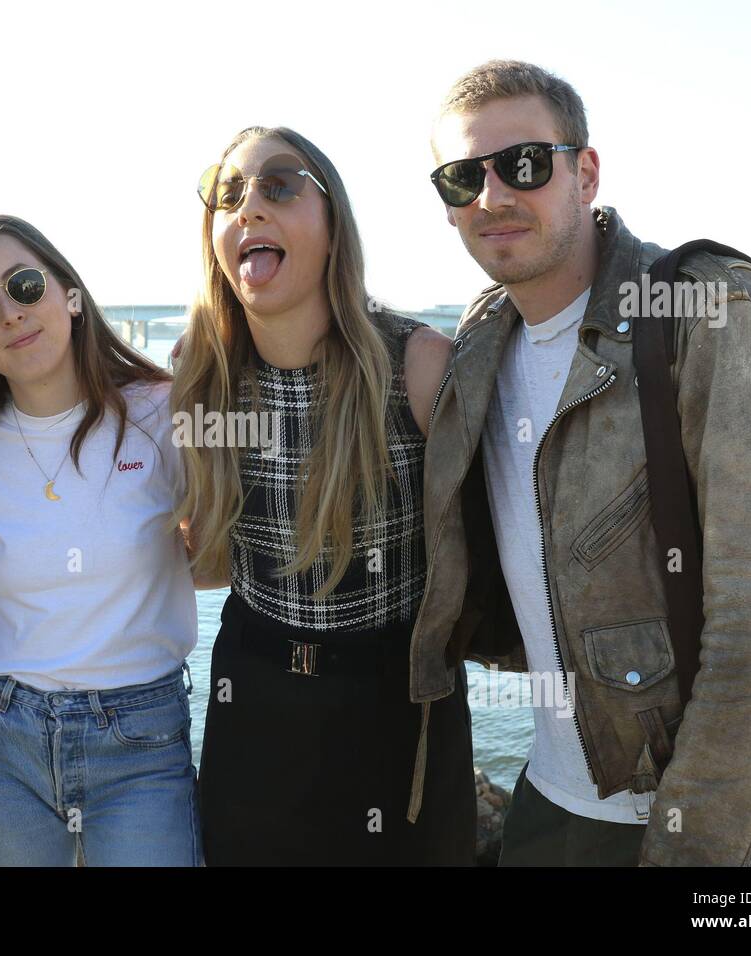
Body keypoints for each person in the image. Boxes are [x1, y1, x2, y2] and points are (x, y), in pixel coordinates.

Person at [422, 60, 751, 865]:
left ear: (587, 171)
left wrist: (694, 845)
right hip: (550, 809)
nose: (494, 195)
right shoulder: (476, 347)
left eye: (525, 164)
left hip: (725, 825)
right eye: (461, 177)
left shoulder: (712, 317)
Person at [174, 126, 476, 864]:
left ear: (334, 223)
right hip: (252, 702)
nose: (250, 207)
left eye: (280, 185)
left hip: (398, 708)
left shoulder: (419, 367)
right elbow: (211, 564)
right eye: (229, 194)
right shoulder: (200, 375)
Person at [0, 215, 201, 866]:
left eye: (25, 285)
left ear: (69, 295)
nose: (11, 314)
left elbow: (212, 556)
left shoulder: (161, 412)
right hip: (6, 737)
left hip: (142, 736)